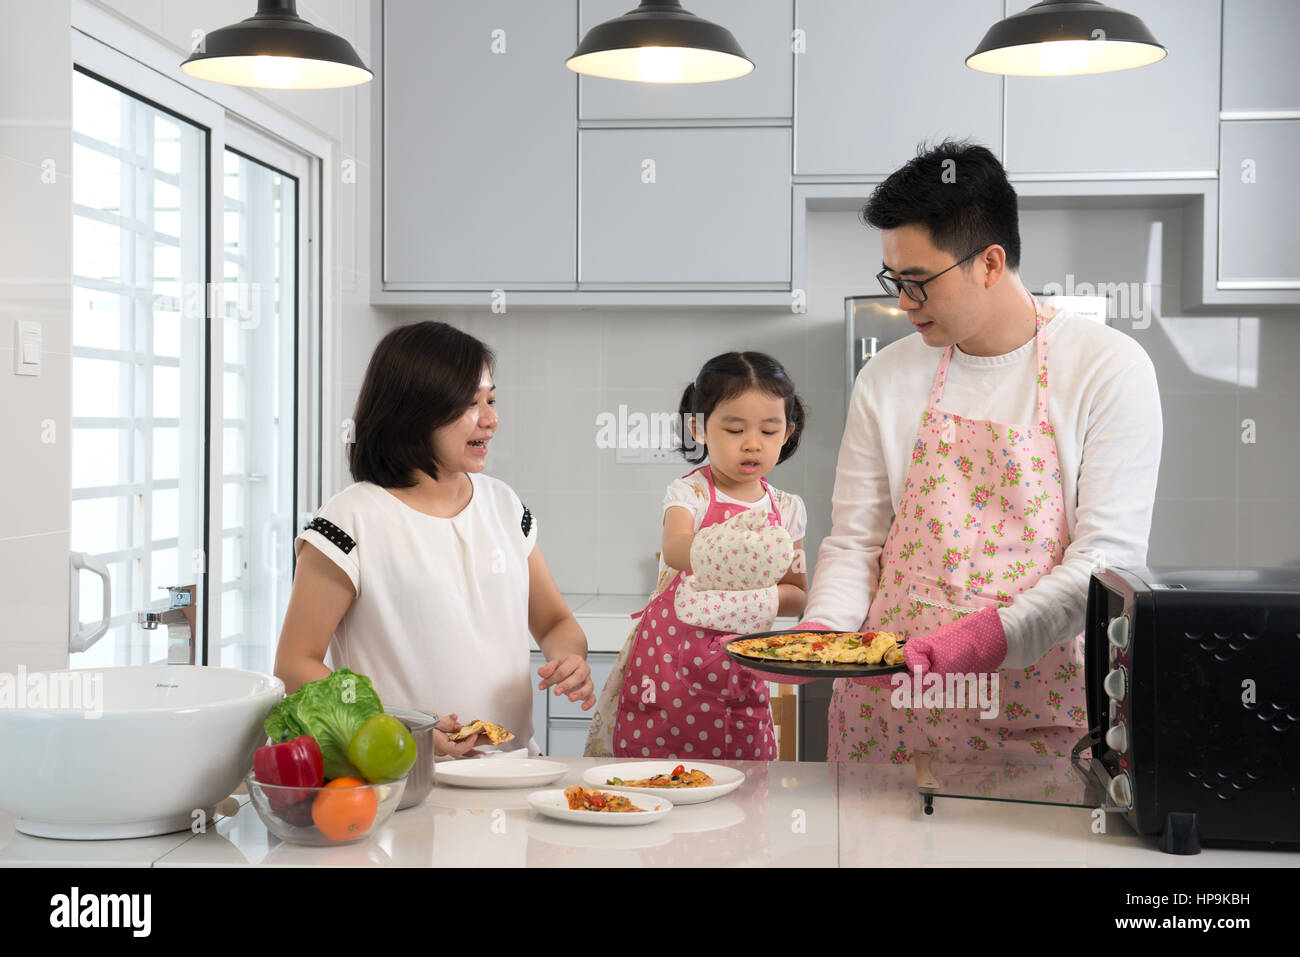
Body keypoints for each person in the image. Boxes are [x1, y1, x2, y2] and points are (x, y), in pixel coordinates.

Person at [804, 139, 1163, 763]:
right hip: (887, 716)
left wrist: (980, 640)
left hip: (1030, 720)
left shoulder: (1107, 368)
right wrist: (821, 636)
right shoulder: (886, 376)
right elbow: (857, 541)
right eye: (893, 281)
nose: (902, 304)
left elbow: (1106, 563)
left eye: (918, 283)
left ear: (990, 263)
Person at [274, 321, 595, 758]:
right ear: (413, 410)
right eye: (469, 403)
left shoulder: (504, 505)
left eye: (491, 399)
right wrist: (389, 727)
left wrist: (570, 659)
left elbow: (555, 623)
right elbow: (295, 665)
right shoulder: (350, 521)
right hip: (405, 776)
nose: (491, 419)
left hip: (514, 772)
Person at [586, 352, 810, 760]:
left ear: (787, 432)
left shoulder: (788, 510)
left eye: (769, 429)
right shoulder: (689, 494)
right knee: (656, 783)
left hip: (741, 667)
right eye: (734, 428)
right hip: (669, 669)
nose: (752, 443)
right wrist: (741, 553)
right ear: (699, 428)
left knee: (744, 789)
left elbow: (796, 591)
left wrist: (745, 600)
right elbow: (675, 549)